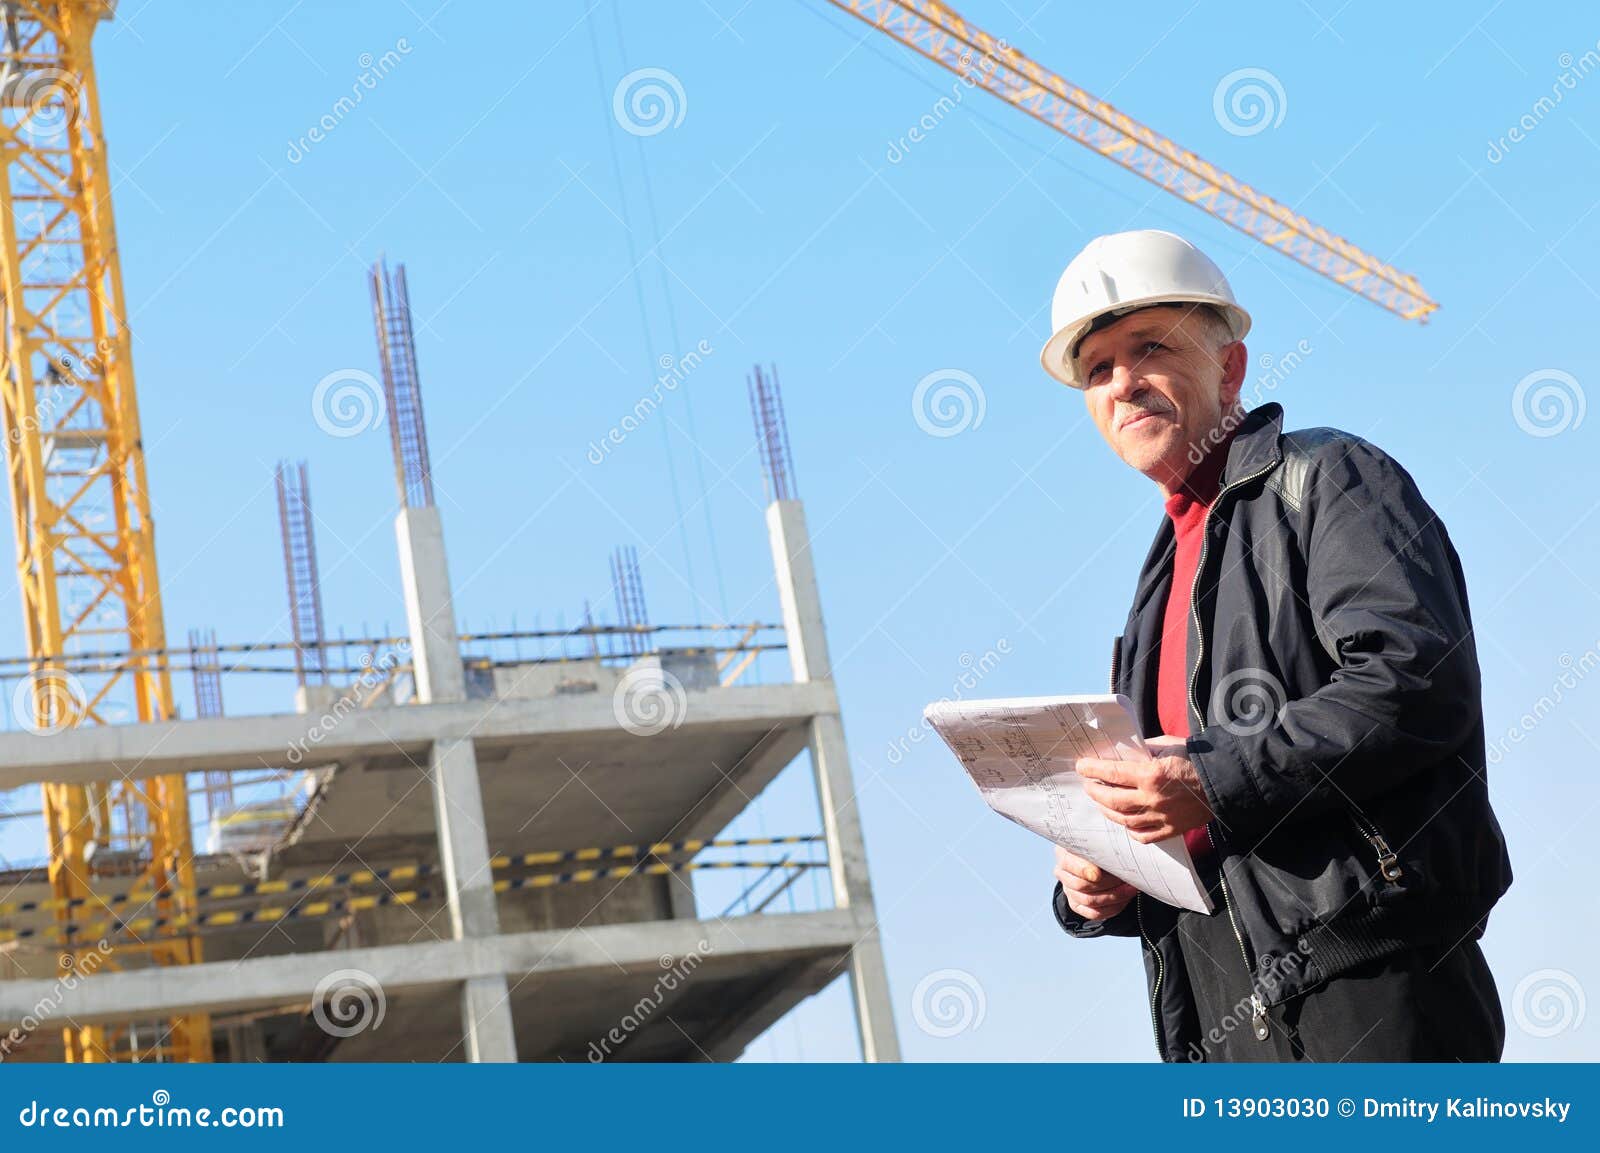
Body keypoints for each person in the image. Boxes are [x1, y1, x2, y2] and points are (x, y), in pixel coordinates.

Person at [1039, 229, 1512, 1062]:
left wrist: (1209, 779)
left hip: (1367, 995)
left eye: (1149, 347)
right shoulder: (1156, 586)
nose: (1123, 384)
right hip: (1222, 1020)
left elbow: (1414, 679)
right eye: (1098, 368)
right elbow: (1210, 834)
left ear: (1229, 368)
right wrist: (1107, 876)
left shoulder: (1330, 479)